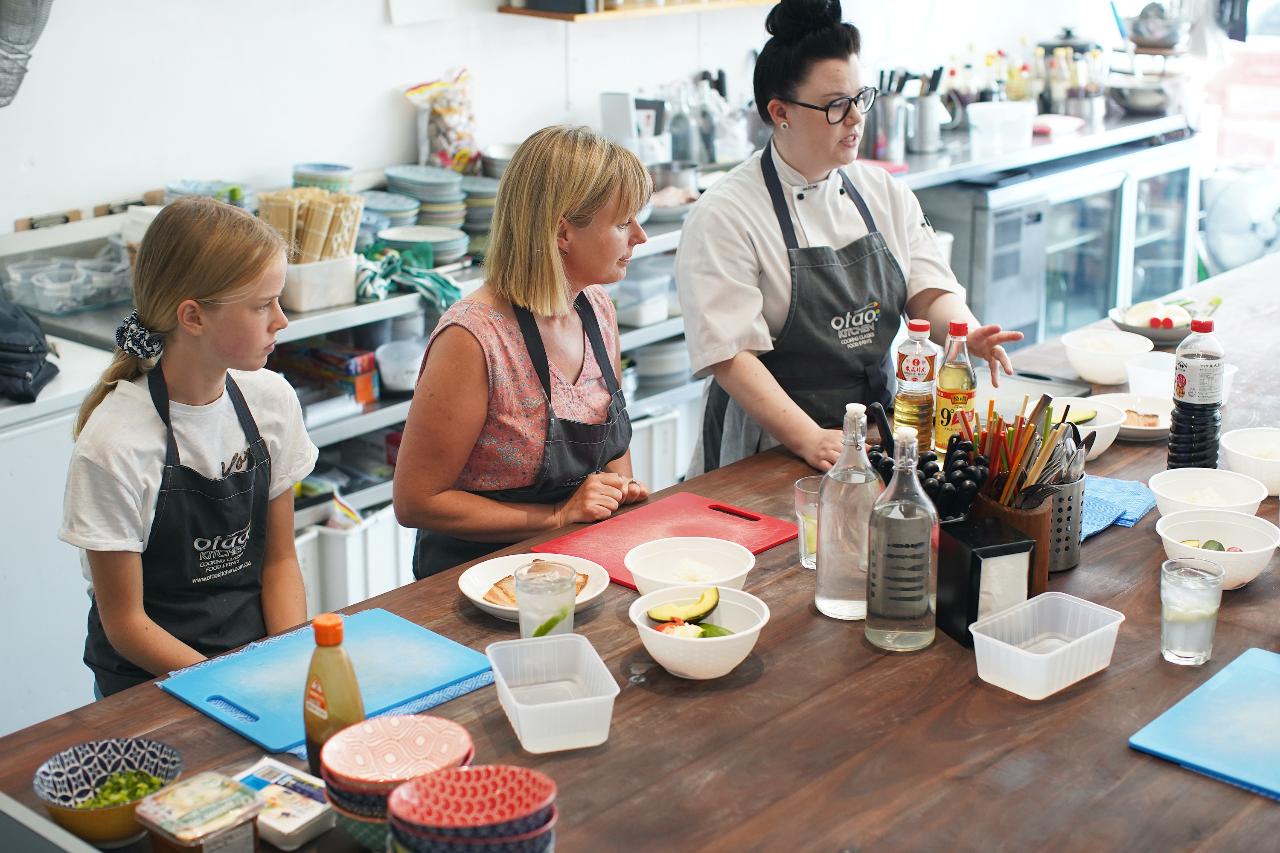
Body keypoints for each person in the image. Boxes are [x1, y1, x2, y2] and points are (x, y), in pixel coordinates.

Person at [676, 0, 1022, 476]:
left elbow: (927, 292)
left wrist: (963, 334)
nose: (857, 117)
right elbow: (732, 357)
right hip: (770, 445)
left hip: (876, 429)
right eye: (837, 105)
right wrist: (807, 437)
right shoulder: (726, 213)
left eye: (861, 98)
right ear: (781, 112)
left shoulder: (883, 191)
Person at [60, 197, 318, 697]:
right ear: (193, 317)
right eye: (263, 304)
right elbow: (127, 624)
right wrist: (226, 687)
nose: (281, 320)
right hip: (148, 687)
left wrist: (285, 659)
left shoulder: (271, 401)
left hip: (253, 661)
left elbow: (280, 561)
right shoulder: (114, 446)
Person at [394, 125, 651, 579]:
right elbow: (418, 501)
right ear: (562, 233)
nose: (641, 236)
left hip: (574, 563)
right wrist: (555, 517)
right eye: (622, 222)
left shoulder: (596, 308)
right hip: (478, 582)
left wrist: (620, 493)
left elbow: (612, 449)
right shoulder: (474, 339)